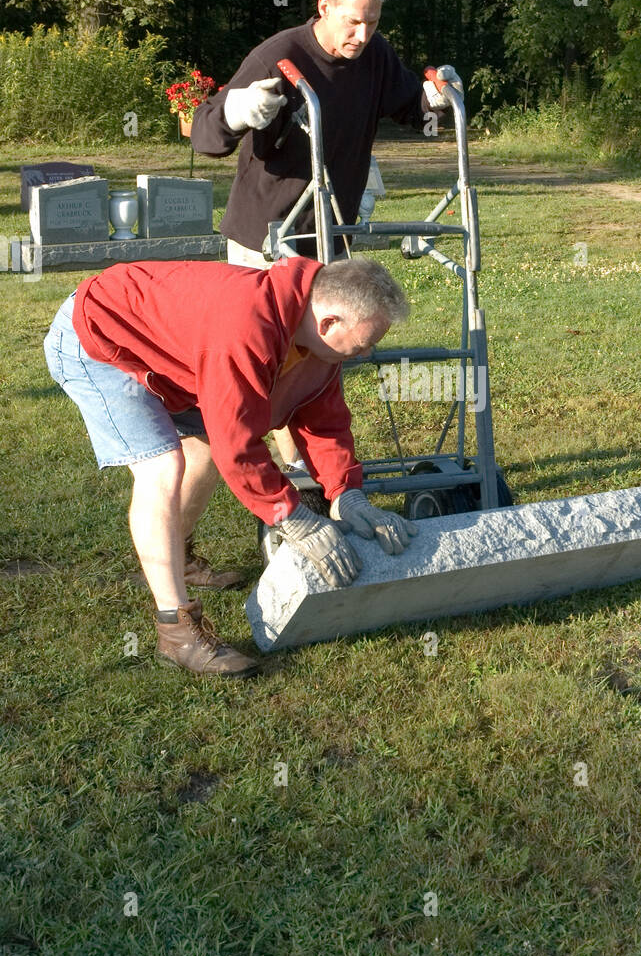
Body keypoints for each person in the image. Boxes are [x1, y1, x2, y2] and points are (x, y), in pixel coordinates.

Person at [43, 255, 418, 679]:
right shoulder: (244, 327)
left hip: (171, 354)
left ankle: (177, 561)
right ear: (329, 322)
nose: (366, 354)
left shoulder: (314, 336)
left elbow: (323, 419)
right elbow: (236, 444)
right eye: (365, 342)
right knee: (163, 468)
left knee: (200, 452)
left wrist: (346, 493)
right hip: (98, 338)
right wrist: (292, 517)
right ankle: (177, 631)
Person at [191, 0, 460, 472]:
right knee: (266, 365)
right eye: (353, 22)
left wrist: (436, 96)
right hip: (266, 238)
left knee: (316, 362)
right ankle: (268, 469)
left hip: (329, 234)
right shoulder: (278, 54)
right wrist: (236, 110)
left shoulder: (375, 55)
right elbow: (205, 134)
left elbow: (409, 103)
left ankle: (314, 475)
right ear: (323, 5)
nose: (362, 35)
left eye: (373, 22)